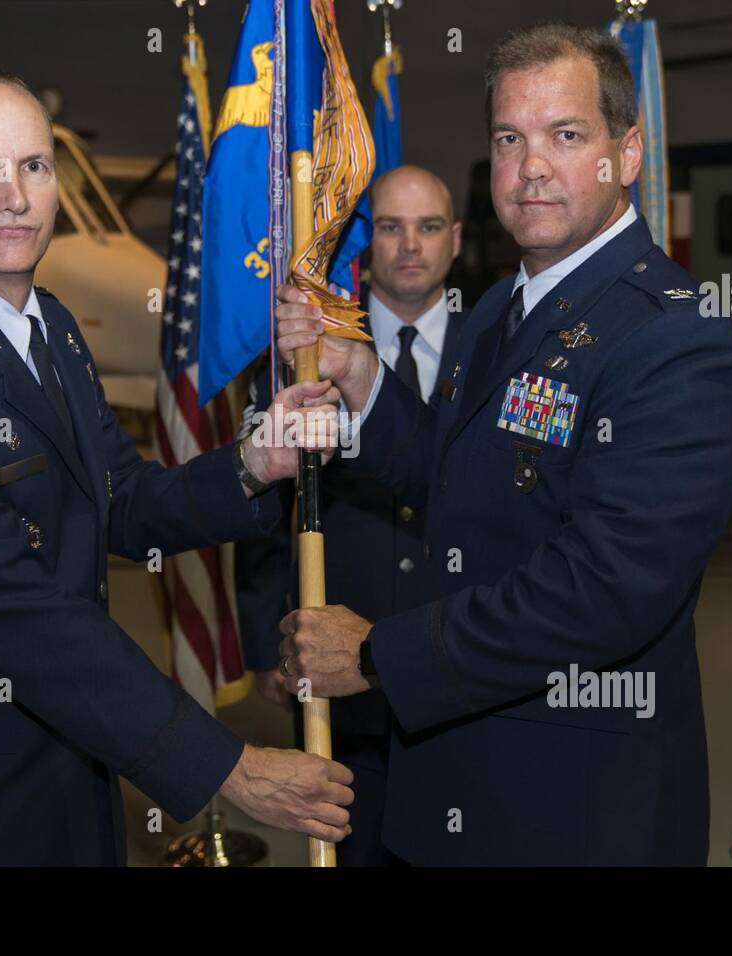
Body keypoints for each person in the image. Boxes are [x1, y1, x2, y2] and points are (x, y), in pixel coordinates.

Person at [0, 69, 352, 865]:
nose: (15, 196)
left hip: (74, 772)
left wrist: (250, 462)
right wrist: (228, 765)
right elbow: (15, 612)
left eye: (34, 166)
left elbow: (121, 500)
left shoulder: (52, 329)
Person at [274, 23, 732, 865]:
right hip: (451, 785)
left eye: (565, 136)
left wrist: (379, 655)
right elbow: (455, 474)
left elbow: (604, 589)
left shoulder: (680, 338)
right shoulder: (501, 306)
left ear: (628, 153)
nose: (530, 168)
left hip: (572, 808)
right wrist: (361, 378)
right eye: (509, 139)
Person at [236, 165, 464, 866]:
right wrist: (261, 645)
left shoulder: (494, 353)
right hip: (339, 682)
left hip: (454, 672)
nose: (410, 246)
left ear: (454, 241)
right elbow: (267, 512)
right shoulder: (301, 355)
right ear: (370, 244)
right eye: (391, 226)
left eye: (428, 227)